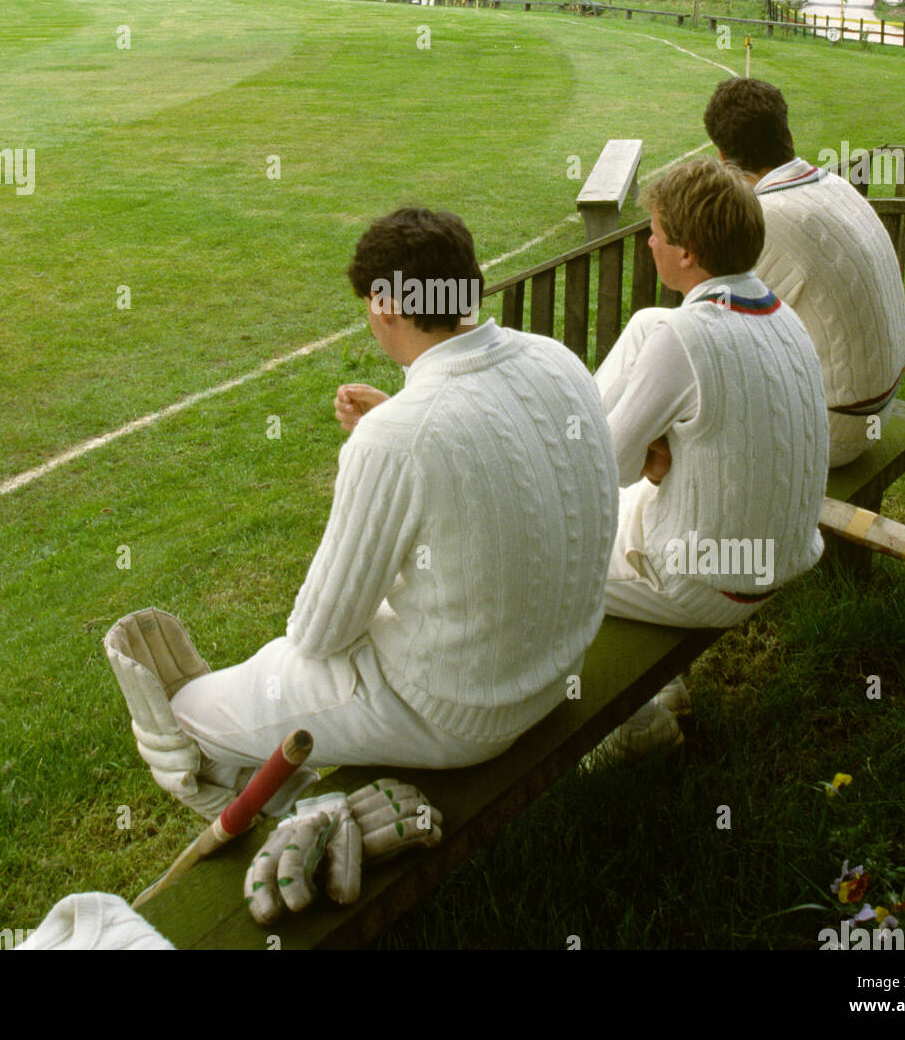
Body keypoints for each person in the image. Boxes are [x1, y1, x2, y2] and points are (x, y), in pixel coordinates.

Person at [107, 207, 619, 816]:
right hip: (557, 667)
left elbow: (322, 632)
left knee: (183, 717)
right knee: (283, 667)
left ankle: (313, 823)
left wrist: (382, 440)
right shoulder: (554, 358)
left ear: (384, 307)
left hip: (464, 710)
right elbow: (489, 442)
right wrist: (396, 421)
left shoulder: (395, 439)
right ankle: (311, 811)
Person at [590, 158, 828, 752]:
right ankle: (659, 686)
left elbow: (608, 473)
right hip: (778, 556)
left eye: (658, 233)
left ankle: (634, 720)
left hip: (706, 584)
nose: (648, 240)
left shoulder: (687, 337)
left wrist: (643, 452)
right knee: (648, 322)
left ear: (688, 252)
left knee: (533, 560)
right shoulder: (780, 313)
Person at [702, 77, 905, 467]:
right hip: (879, 404)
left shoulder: (766, 217)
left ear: (722, 157)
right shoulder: (837, 186)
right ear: (787, 135)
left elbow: (717, 337)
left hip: (838, 428)